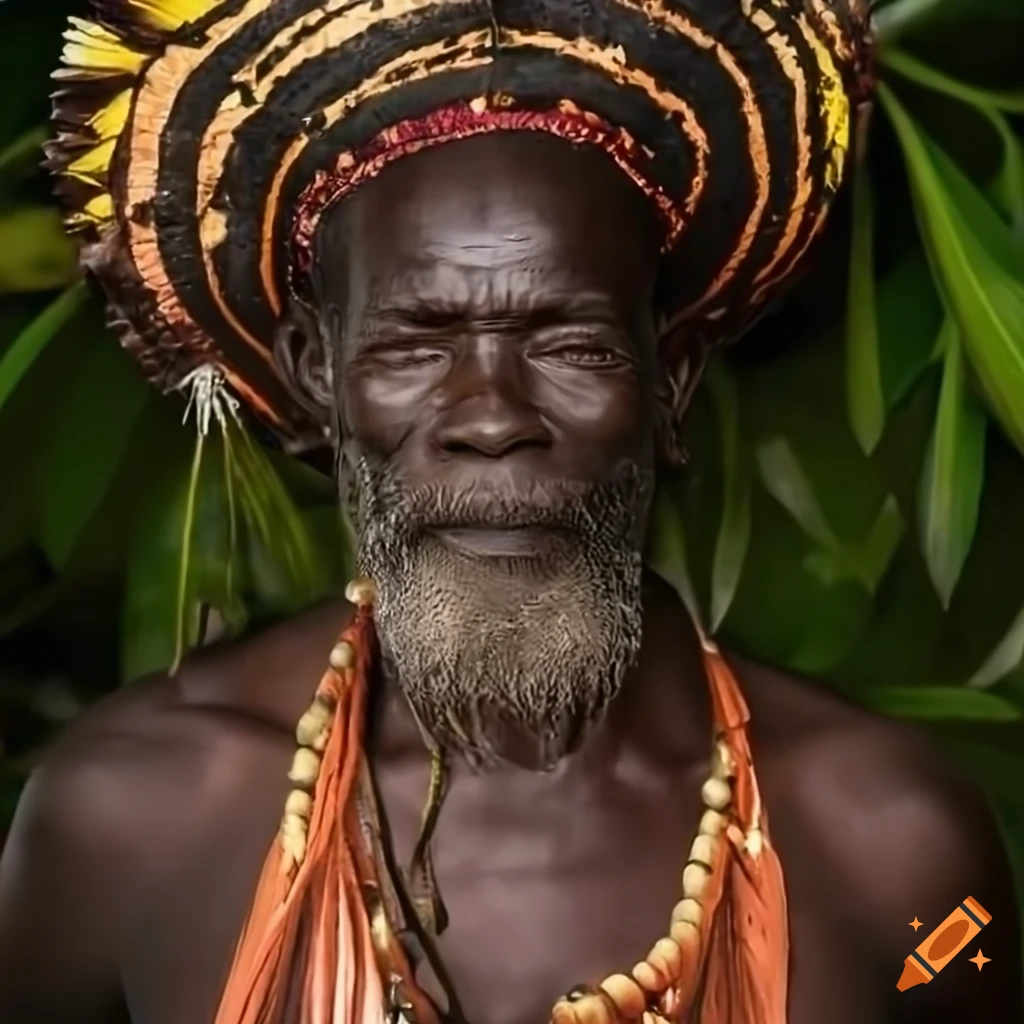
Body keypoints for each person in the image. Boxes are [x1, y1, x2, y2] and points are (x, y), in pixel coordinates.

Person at [0, 0, 1019, 1022]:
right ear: (317, 379)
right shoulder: (128, 820)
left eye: (567, 345)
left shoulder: (896, 854)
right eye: (413, 345)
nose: (490, 419)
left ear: (669, 381)